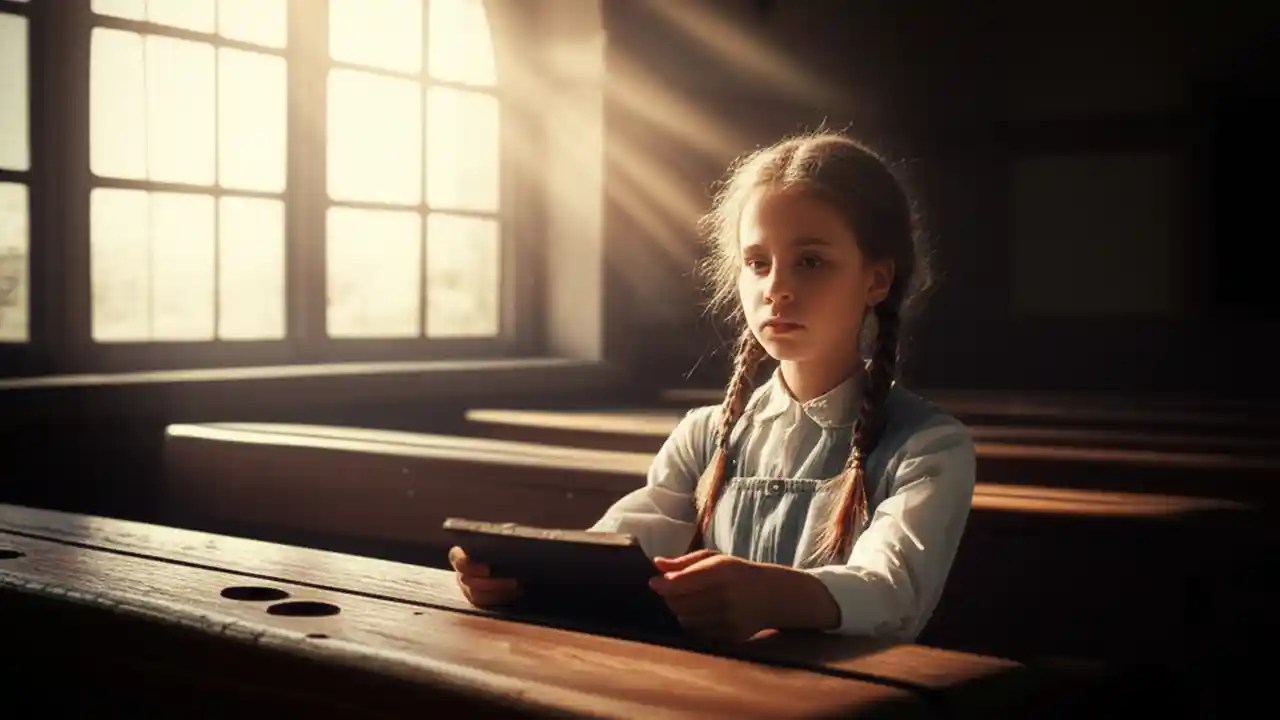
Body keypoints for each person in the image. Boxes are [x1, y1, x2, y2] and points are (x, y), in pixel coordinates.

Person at [449, 130, 976, 644]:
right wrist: (522, 574)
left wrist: (773, 596)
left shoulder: (926, 447)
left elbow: (893, 591)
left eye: (810, 261)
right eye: (757, 263)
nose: (776, 289)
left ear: (876, 280)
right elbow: (622, 545)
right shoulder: (705, 436)